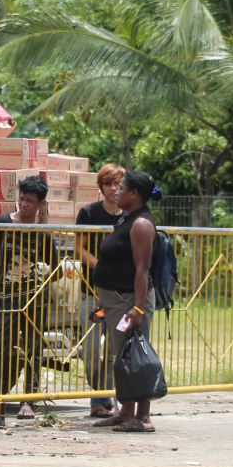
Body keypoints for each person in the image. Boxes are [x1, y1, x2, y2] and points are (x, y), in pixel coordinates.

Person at [0, 175, 59, 420]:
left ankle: (29, 402)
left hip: (34, 301)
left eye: (30, 201)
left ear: (41, 204)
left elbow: (55, 270)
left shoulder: (42, 234)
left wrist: (37, 279)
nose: (24, 205)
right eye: (21, 199)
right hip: (5, 298)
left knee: (33, 350)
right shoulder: (2, 222)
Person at [93, 170, 162, 433]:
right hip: (117, 301)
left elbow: (142, 269)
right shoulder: (127, 219)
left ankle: (143, 418)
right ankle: (126, 412)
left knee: (135, 357)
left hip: (130, 302)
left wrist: (138, 308)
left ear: (134, 194)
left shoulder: (142, 224)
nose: (116, 192)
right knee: (124, 356)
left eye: (121, 188)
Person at [75, 164, 126, 418]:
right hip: (92, 293)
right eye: (109, 184)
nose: (114, 188)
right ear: (101, 187)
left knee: (116, 350)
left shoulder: (129, 214)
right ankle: (99, 395)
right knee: (92, 349)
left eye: (118, 183)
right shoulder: (88, 212)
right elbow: (79, 249)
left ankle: (104, 400)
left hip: (120, 295)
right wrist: (103, 266)